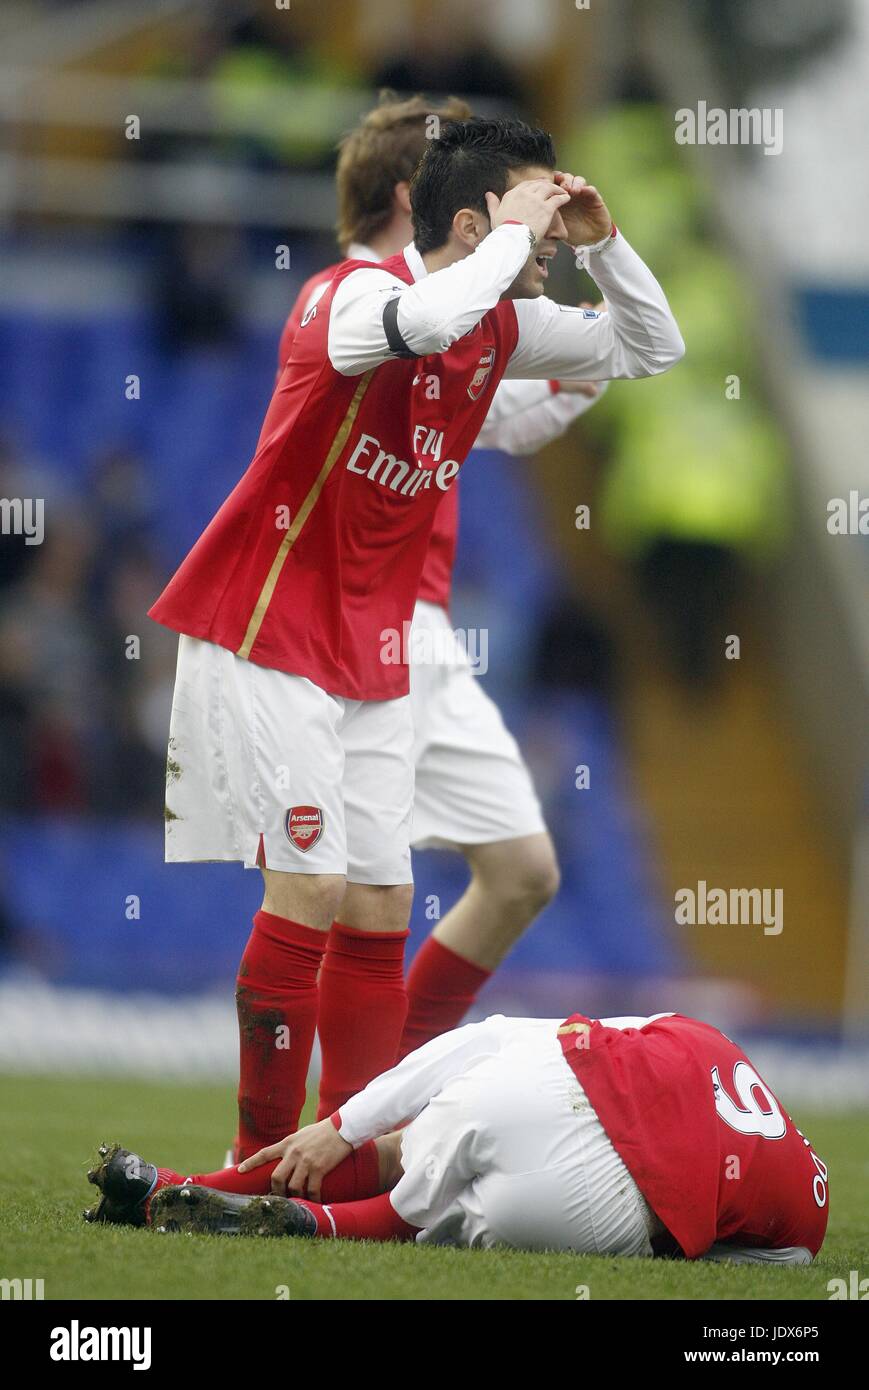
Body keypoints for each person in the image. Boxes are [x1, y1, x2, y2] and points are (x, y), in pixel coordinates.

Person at [148, 115, 684, 1165]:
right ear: (475, 218)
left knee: (384, 894)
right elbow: (430, 317)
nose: (548, 244)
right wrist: (503, 239)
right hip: (272, 625)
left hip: (378, 641)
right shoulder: (345, 299)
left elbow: (651, 346)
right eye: (534, 220)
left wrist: (604, 243)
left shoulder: (501, 320)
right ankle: (257, 1161)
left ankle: (340, 1159)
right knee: (307, 884)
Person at [278, 93, 607, 1084]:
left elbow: (506, 416)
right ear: (421, 196)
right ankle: (341, 1123)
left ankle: (384, 1090)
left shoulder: (464, 313)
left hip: (420, 625)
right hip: (351, 624)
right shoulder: (366, 301)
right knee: (356, 890)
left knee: (519, 872)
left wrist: (589, 355)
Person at [84, 1010, 828, 1263]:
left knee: (410, 1151)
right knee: (440, 1216)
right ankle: (318, 1226)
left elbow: (489, 1036)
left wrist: (341, 1126)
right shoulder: (806, 1221)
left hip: (523, 1084)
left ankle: (167, 1186)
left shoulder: (685, 1034)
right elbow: (733, 1263)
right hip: (591, 1200)